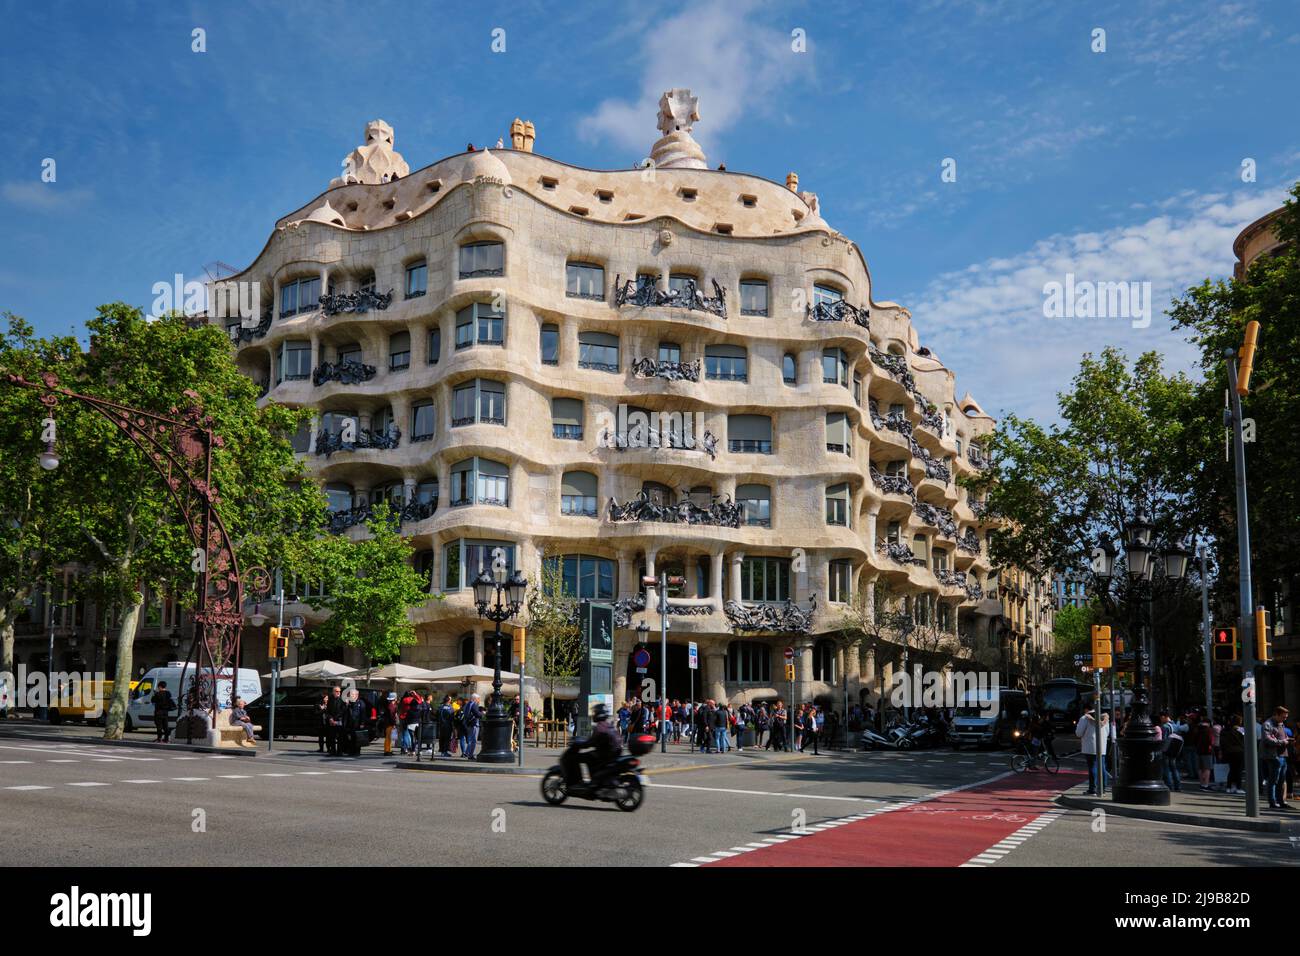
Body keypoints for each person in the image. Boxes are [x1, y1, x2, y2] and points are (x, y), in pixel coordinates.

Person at [560, 703, 622, 792]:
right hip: (611, 753)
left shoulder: (600, 727)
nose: (593, 714)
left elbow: (590, 743)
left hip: (605, 754)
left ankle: (579, 782)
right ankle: (593, 779)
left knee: (578, 757)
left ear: (598, 714)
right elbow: (595, 741)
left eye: (595, 712)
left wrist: (579, 744)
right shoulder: (608, 725)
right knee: (589, 756)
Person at [1076, 703, 1109, 795]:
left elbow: (1078, 733)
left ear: (1086, 709)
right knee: (1102, 768)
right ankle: (1103, 788)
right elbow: (1108, 733)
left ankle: (1093, 789)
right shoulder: (1104, 718)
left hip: (1090, 747)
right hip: (1102, 746)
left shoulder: (1084, 718)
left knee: (1093, 767)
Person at [1262, 706, 1290, 810]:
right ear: (1276, 715)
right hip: (1274, 756)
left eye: (1286, 717)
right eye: (1283, 717)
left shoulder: (1281, 723)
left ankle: (1280, 801)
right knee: (1273, 780)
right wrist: (1282, 742)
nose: (1285, 719)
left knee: (1282, 779)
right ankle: (1272, 802)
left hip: (1283, 755)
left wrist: (1287, 739)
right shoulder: (1268, 724)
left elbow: (1282, 736)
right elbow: (1266, 739)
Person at [1221, 713, 1245, 795]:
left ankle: (1229, 787)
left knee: (1231, 769)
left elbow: (1222, 742)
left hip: (1229, 752)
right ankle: (1238, 787)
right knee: (1238, 770)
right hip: (1239, 752)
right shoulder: (1241, 730)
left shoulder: (1225, 730)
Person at [323, 684, 344, 756]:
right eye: (337, 691)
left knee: (340, 738)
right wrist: (331, 718)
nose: (338, 692)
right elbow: (327, 711)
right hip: (331, 721)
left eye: (339, 691)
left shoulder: (342, 700)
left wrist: (335, 719)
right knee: (331, 737)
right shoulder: (330, 700)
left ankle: (339, 751)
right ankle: (333, 751)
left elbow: (342, 711)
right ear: (333, 692)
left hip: (339, 721)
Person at [461, 693, 482, 759]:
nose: (479, 700)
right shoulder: (474, 705)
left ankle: (466, 753)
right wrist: (482, 713)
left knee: (470, 739)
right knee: (473, 740)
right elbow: (477, 714)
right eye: (478, 699)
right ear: (475, 699)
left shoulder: (467, 704)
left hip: (468, 723)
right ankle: (470, 755)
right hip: (474, 724)